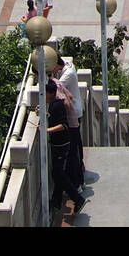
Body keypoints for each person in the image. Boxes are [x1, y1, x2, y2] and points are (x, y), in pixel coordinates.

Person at [45, 78, 86, 217]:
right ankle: (56, 201)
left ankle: (77, 198)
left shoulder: (57, 105)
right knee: (57, 172)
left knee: (58, 173)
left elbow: (63, 125)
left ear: (50, 93)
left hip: (61, 144)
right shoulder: (52, 104)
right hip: (58, 144)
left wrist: (47, 130)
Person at [55, 55, 85, 186]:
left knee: (73, 150)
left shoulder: (68, 74)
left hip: (73, 114)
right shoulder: (66, 66)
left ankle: (77, 182)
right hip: (75, 112)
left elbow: (57, 89)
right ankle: (79, 179)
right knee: (75, 148)